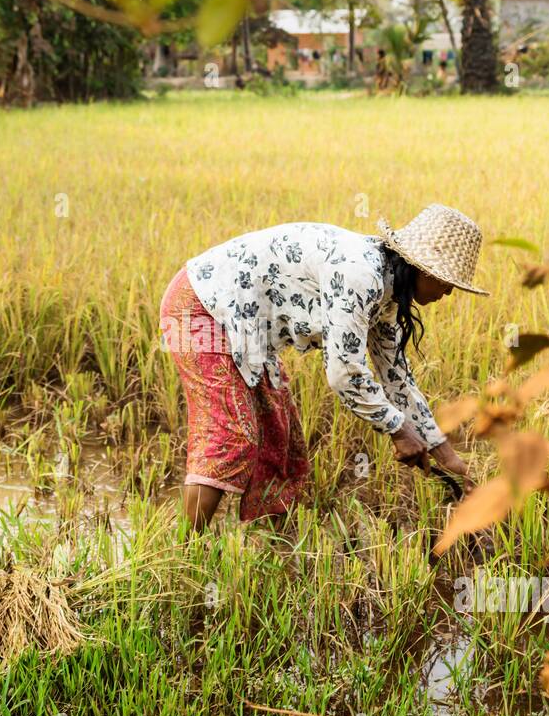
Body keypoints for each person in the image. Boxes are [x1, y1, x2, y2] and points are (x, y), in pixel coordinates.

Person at [158, 204, 487, 529]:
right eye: (446, 281)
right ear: (421, 268)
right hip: (201, 308)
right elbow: (344, 373)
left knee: (281, 437)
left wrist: (444, 454)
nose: (448, 291)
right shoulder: (360, 274)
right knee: (232, 434)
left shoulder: (387, 293)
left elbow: (396, 377)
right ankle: (187, 549)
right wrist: (398, 430)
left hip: (246, 329)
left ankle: (276, 547)